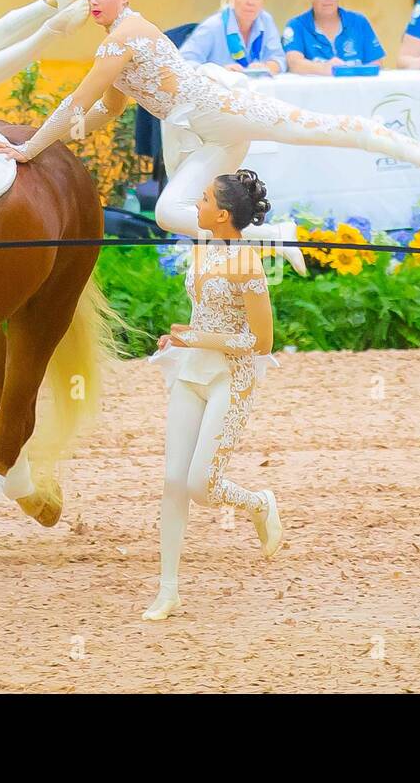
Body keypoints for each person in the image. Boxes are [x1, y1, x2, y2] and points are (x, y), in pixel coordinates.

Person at [0, 0, 420, 277]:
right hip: (209, 135)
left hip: (223, 109)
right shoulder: (112, 43)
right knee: (172, 212)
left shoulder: (123, 38)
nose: (93, 1)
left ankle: (415, 149)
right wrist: (36, 143)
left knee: (317, 128)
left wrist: (29, 148)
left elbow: (75, 102)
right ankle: (273, 234)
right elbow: (100, 113)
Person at [141, 170, 284, 621]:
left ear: (222, 215)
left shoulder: (249, 265)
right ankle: (168, 590)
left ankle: (259, 503)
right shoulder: (204, 243)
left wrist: (197, 338)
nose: (196, 205)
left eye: (203, 200)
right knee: (173, 482)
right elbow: (203, 314)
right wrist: (182, 336)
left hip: (231, 377)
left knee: (202, 485)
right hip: (192, 372)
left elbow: (261, 343)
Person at [282, 0, 385, 75]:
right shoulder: (296, 26)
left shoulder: (359, 22)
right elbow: (294, 64)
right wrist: (324, 68)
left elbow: (376, 64)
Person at [179, 0, 287, 74]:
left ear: (263, 1)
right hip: (218, 89)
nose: (250, 2)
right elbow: (184, 63)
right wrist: (219, 72)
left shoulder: (266, 20)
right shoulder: (213, 26)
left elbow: (279, 58)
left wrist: (267, 67)